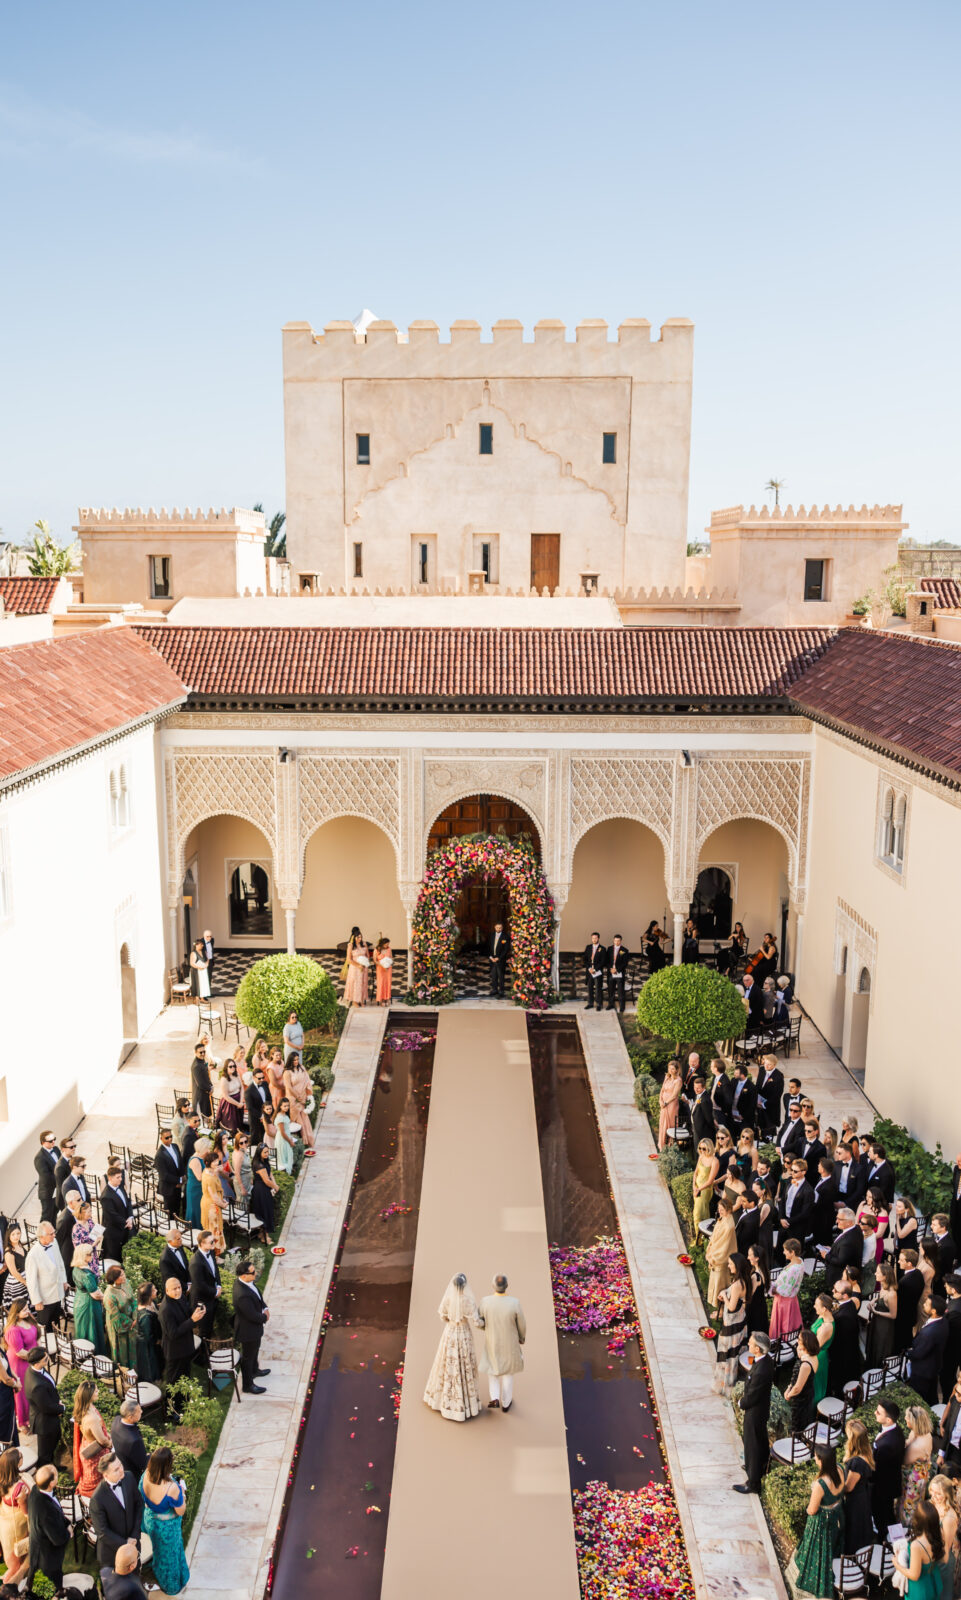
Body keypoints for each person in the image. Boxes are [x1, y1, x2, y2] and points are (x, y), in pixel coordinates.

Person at [423, 1272, 481, 1422]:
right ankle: (465, 1405)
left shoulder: (448, 1299)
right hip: (464, 1334)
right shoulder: (468, 1301)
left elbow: (442, 1316)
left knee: (447, 1363)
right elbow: (476, 1321)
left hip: (450, 1333)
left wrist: (450, 1319)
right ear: (465, 1285)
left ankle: (443, 1401)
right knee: (464, 1363)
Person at [792, 1444, 845, 1598]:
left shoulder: (821, 1484)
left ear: (821, 1461)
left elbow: (812, 1510)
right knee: (832, 1545)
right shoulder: (841, 1469)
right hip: (837, 1516)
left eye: (816, 1456)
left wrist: (807, 1510)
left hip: (822, 1522)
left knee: (818, 1552)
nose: (814, 1458)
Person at [140, 1446, 189, 1595]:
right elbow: (180, 1511)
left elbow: (141, 1494)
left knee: (157, 1550)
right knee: (168, 1557)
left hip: (150, 1521)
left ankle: (154, 1569)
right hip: (166, 1529)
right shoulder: (172, 1487)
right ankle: (171, 1586)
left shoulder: (145, 1475)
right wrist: (183, 1494)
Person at [476, 1273, 525, 1413]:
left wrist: (486, 1328)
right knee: (508, 1372)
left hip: (492, 1341)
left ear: (493, 1285)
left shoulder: (485, 1301)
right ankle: (506, 1403)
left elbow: (480, 1321)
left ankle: (495, 1398)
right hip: (510, 1343)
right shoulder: (515, 1303)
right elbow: (521, 1324)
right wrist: (521, 1338)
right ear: (507, 1285)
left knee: (493, 1370)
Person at [734, 1332, 774, 1494]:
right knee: (760, 1439)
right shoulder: (765, 1361)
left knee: (752, 1444)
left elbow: (752, 1395)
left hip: (755, 1412)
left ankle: (753, 1482)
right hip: (761, 1409)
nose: (748, 1345)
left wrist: (741, 1402)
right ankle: (760, 1465)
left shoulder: (761, 1371)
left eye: (751, 1343)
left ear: (758, 1349)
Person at [90, 1451, 142, 1570]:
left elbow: (139, 1504)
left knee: (135, 1573)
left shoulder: (129, 1477)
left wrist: (134, 1535)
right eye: (116, 1470)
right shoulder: (97, 1499)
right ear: (106, 1475)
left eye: (120, 1465)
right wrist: (125, 1544)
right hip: (113, 1553)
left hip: (134, 1542)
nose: (121, 1470)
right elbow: (102, 1532)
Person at [26, 1464, 69, 1596]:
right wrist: (69, 1532)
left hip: (38, 1545)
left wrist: (65, 1522)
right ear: (51, 1483)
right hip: (47, 1556)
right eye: (56, 1475)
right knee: (53, 1587)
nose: (58, 1475)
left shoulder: (35, 1489)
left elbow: (57, 1511)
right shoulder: (46, 1512)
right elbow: (58, 1539)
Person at [712, 1251, 749, 1396]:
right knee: (734, 1352)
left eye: (730, 1264)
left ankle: (725, 1383)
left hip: (732, 1323)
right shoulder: (744, 1280)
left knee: (728, 1354)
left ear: (737, 1266)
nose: (728, 1266)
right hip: (740, 1321)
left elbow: (732, 1307)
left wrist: (723, 1295)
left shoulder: (737, 1285)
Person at [891, 1500, 944, 1599]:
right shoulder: (937, 1534)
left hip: (919, 1590)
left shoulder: (916, 1545)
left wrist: (896, 1564)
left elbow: (914, 1575)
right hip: (931, 1581)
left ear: (917, 1521)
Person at [233, 1259, 270, 1394]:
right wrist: (265, 1317)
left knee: (255, 1350)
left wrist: (265, 1307)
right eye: (253, 1272)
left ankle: (255, 1370)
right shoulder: (242, 1294)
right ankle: (248, 1385)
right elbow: (252, 1315)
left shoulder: (247, 1282)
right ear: (244, 1276)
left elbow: (258, 1296)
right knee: (248, 1357)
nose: (256, 1273)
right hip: (247, 1330)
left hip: (254, 1328)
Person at [23, 1346, 64, 1468]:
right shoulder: (37, 1385)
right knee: (44, 1453)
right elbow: (47, 1407)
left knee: (53, 1446)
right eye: (45, 1359)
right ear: (36, 1363)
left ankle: (53, 1466)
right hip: (45, 1423)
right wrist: (62, 1408)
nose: (48, 1360)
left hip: (48, 1416)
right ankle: (44, 1472)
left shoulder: (34, 1370)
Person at [873, 1397, 907, 1538]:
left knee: (884, 1516)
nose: (875, 1413)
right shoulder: (895, 1429)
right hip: (889, 1481)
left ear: (888, 1420)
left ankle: (888, 1541)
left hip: (883, 1486)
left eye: (878, 1412)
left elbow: (877, 1468)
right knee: (887, 1514)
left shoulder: (887, 1444)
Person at [158, 1279, 204, 1385]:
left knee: (186, 1378)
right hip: (175, 1351)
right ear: (167, 1290)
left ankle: (185, 1395)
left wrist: (197, 1312)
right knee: (174, 1382)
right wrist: (192, 1320)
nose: (178, 1291)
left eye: (179, 1287)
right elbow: (173, 1334)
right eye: (174, 1289)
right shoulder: (166, 1309)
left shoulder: (181, 1297)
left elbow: (187, 1313)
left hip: (186, 1346)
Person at [842, 1418, 875, 1555]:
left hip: (855, 1501)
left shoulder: (857, 1463)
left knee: (854, 1530)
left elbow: (849, 1487)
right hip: (863, 1496)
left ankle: (853, 1556)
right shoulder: (867, 1452)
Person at [25, 1221, 67, 1329]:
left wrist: (64, 1280)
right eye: (51, 1234)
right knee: (46, 1328)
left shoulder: (54, 1242)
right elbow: (31, 1281)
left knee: (56, 1324)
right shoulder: (32, 1255)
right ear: (41, 1236)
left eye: (54, 1232)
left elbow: (60, 1262)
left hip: (57, 1293)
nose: (54, 1235)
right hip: (45, 1299)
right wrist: (37, 1300)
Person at [72, 1379, 109, 1495]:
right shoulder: (91, 1418)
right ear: (89, 1395)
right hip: (95, 1453)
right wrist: (111, 1443)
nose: (98, 1392)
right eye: (96, 1391)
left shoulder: (87, 1407)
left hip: (87, 1443)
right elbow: (102, 1441)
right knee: (96, 1484)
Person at [4, 1305, 37, 1431]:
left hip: (32, 1359)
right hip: (20, 1363)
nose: (28, 1310)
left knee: (32, 1390)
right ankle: (23, 1423)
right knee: (22, 1394)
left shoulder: (28, 1319)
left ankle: (33, 1417)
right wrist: (37, 1358)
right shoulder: (13, 1329)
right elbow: (19, 1352)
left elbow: (36, 1336)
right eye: (24, 1309)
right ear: (16, 1313)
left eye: (27, 1307)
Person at [901, 1406, 935, 1527]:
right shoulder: (926, 1434)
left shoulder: (916, 1447)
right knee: (917, 1504)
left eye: (907, 1417)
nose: (905, 1418)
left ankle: (908, 1529)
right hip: (922, 1475)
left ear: (914, 1421)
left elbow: (903, 1461)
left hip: (913, 1481)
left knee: (909, 1508)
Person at [911, 1298, 950, 1405]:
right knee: (931, 1397)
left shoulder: (930, 1333)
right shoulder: (943, 1321)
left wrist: (908, 1353)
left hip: (923, 1371)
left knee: (920, 1400)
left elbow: (919, 1353)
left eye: (927, 1304)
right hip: (933, 1367)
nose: (923, 1305)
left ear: (933, 1311)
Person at [0, 1447, 29, 1586]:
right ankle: (7, 1587)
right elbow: (26, 1511)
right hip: (17, 1528)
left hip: (5, 1526)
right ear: (16, 1464)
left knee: (11, 1559)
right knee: (16, 1565)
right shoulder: (19, 1487)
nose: (22, 1457)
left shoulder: (2, 1481)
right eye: (20, 1456)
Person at [72, 1242, 107, 1354]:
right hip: (89, 1304)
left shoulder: (76, 1269)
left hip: (80, 1299)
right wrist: (105, 1298)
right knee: (91, 1328)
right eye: (89, 1254)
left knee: (83, 1328)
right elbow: (95, 1294)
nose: (92, 1255)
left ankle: (82, 1352)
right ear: (83, 1256)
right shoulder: (86, 1275)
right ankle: (93, 1354)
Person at [928, 1474, 959, 1600]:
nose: (933, 1496)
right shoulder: (934, 1504)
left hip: (942, 1561)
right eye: (932, 1491)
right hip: (933, 1554)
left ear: (946, 1494)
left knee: (942, 1594)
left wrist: (929, 1563)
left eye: (938, 1494)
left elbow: (945, 1551)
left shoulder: (949, 1518)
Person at [865, 1259, 899, 1368]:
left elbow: (893, 1315)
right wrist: (874, 1300)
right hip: (877, 1321)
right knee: (874, 1344)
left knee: (880, 1347)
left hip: (884, 1325)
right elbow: (881, 1298)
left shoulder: (892, 1294)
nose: (875, 1274)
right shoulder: (883, 1286)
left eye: (878, 1272)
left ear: (885, 1276)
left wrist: (876, 1312)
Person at [189, 1230, 222, 1340]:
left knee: (209, 1326)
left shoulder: (211, 1252)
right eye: (211, 1242)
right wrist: (215, 1292)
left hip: (211, 1297)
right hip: (202, 1300)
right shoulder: (195, 1262)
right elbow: (200, 1285)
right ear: (202, 1244)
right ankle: (203, 1349)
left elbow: (215, 1270)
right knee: (203, 1330)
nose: (214, 1243)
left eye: (214, 1241)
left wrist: (219, 1285)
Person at [705, 1196, 737, 1311]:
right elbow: (715, 1237)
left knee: (720, 1285)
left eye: (722, 1210)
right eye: (719, 1209)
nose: (719, 1212)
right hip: (715, 1253)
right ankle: (717, 1308)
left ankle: (720, 1309)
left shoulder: (729, 1226)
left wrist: (712, 1257)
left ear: (728, 1209)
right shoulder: (723, 1218)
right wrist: (710, 1249)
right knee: (715, 1282)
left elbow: (723, 1245)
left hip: (721, 1258)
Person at [785, 1328, 819, 1433]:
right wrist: (789, 1387)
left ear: (805, 1344)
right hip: (808, 1392)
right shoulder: (814, 1357)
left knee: (798, 1423)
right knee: (805, 1420)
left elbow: (797, 1388)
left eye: (799, 1340)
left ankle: (797, 1439)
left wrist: (788, 1394)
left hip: (801, 1398)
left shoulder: (805, 1365)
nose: (797, 1341)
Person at [770, 1237, 804, 1339]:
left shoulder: (794, 1269)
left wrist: (772, 1288)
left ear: (792, 1252)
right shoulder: (799, 1261)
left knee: (785, 1326)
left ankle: (782, 1343)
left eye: (785, 1250)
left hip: (784, 1302)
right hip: (791, 1300)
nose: (783, 1252)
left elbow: (786, 1290)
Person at [101, 1169, 137, 1264]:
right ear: (110, 1178)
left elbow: (128, 1202)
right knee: (117, 1258)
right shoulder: (106, 1196)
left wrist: (130, 1217)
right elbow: (112, 1216)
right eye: (118, 1177)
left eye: (121, 1176)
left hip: (127, 1225)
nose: (121, 1179)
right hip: (116, 1232)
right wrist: (126, 1223)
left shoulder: (120, 1187)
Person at [821, 1208, 862, 1291]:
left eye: (840, 1219)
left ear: (849, 1222)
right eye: (837, 1218)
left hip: (839, 1278)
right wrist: (832, 1249)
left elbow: (840, 1262)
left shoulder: (848, 1241)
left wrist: (826, 1256)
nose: (837, 1221)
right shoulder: (855, 1229)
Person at [283, 1053, 316, 1154]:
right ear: (290, 1061)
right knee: (299, 1122)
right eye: (294, 1060)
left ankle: (308, 1142)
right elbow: (288, 1087)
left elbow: (307, 1081)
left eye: (297, 1059)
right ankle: (301, 1144)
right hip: (293, 1100)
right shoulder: (287, 1072)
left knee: (305, 1119)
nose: (296, 1062)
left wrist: (307, 1096)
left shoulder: (301, 1068)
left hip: (303, 1097)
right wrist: (298, 1097)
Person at [111, 1399, 147, 1481]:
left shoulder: (116, 1420)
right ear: (130, 1417)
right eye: (139, 1411)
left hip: (121, 1460)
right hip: (133, 1474)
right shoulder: (134, 1441)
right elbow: (143, 1463)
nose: (142, 1411)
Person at [810, 1293, 835, 1408]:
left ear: (824, 1309)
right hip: (816, 1353)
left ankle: (815, 1409)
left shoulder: (827, 1327)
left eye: (816, 1305)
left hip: (818, 1357)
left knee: (816, 1386)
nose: (814, 1306)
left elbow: (815, 1347)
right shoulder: (822, 1316)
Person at [200, 1152, 227, 1253]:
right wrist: (223, 1205)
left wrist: (221, 1199)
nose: (217, 1163)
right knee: (214, 1230)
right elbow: (214, 1196)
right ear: (208, 1163)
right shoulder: (209, 1178)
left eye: (217, 1160)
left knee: (212, 1229)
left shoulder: (207, 1171)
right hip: (211, 1206)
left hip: (208, 1202)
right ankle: (215, 1254)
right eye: (214, 1161)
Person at [136, 1283, 163, 1382]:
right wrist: (158, 1340)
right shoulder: (145, 1316)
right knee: (151, 1364)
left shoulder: (152, 1302)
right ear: (148, 1295)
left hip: (153, 1340)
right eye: (154, 1290)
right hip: (147, 1345)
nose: (156, 1291)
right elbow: (148, 1335)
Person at [154, 1128, 184, 1216]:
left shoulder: (175, 1146)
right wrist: (178, 1180)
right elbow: (164, 1175)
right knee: (170, 1213)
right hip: (168, 1188)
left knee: (177, 1209)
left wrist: (182, 1177)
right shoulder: (159, 1155)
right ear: (161, 1139)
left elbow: (180, 1163)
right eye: (167, 1138)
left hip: (178, 1185)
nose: (170, 1139)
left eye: (171, 1136)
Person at [692, 1139, 718, 1237]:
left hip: (705, 1190)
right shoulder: (701, 1156)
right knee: (702, 1211)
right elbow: (695, 1173)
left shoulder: (715, 1161)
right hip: (696, 1188)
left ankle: (698, 1239)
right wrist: (694, 1186)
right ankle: (703, 1237)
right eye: (700, 1148)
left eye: (704, 1148)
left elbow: (710, 1181)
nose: (701, 1150)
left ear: (709, 1148)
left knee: (697, 1214)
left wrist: (699, 1189)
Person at [251, 1144, 278, 1237]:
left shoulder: (264, 1160)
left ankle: (264, 1233)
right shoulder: (258, 1164)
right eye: (265, 1152)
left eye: (268, 1152)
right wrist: (275, 1187)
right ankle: (264, 1236)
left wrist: (274, 1184)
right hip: (261, 1190)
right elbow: (266, 1180)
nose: (267, 1154)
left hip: (266, 1188)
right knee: (264, 1211)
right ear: (259, 1153)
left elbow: (270, 1174)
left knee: (268, 1209)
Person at [34, 1132, 61, 1225]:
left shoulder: (56, 1149)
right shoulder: (39, 1157)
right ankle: (42, 1234)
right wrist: (61, 1179)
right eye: (50, 1141)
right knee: (46, 1216)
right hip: (48, 1192)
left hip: (57, 1189)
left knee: (54, 1213)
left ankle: (53, 1232)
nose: (53, 1142)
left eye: (54, 1139)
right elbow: (46, 1176)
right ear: (43, 1142)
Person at [754, 1055, 784, 1138]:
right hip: (759, 1102)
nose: (766, 1066)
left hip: (770, 1106)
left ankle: (768, 1136)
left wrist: (764, 1104)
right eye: (765, 1063)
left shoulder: (778, 1076)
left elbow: (777, 1095)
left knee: (768, 1127)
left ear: (774, 1065)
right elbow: (758, 1085)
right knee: (759, 1123)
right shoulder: (761, 1070)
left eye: (769, 1064)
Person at [937, 1373, 961, 1470]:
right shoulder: (955, 1402)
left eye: (959, 1394)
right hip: (950, 1446)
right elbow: (948, 1428)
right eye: (956, 1392)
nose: (956, 1395)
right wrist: (941, 1454)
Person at [657, 1061, 684, 1150]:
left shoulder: (678, 1080)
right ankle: (661, 1145)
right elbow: (662, 1090)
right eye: (669, 1068)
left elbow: (674, 1095)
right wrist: (660, 1101)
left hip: (671, 1105)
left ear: (677, 1070)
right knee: (662, 1123)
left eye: (672, 1069)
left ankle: (669, 1145)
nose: (670, 1070)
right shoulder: (667, 1077)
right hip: (663, 1104)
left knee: (670, 1123)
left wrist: (666, 1103)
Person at [1, 1225, 28, 1311]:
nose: (16, 1236)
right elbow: (14, 1272)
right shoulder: (9, 1252)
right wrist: (26, 1283)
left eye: (18, 1233)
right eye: (13, 1234)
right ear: (8, 1235)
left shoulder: (19, 1244)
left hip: (25, 1277)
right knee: (20, 1308)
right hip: (17, 1283)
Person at [0, 1334, 19, 1448]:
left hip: (6, 1391)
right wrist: (16, 1384)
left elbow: (7, 1366)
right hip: (2, 1394)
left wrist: (17, 1379)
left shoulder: (1, 1348)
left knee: (10, 1421)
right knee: (5, 1424)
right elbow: (5, 1379)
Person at [159, 1228, 190, 1294]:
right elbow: (171, 1279)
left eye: (181, 1238)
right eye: (178, 1239)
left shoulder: (179, 1246)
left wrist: (190, 1282)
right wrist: (187, 1287)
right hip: (176, 1292)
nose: (181, 1240)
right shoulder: (165, 1259)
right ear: (170, 1241)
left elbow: (186, 1264)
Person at [185, 1136, 207, 1230]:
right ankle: (194, 1229)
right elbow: (199, 1177)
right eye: (207, 1148)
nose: (208, 1151)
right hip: (195, 1189)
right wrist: (212, 1172)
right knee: (195, 1209)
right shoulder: (195, 1160)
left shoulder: (201, 1157)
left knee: (200, 1208)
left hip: (199, 1188)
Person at [344, 931, 370, 1006]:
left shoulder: (364, 944)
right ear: (354, 937)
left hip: (363, 967)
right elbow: (348, 959)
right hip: (355, 967)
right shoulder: (351, 945)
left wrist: (364, 962)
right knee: (356, 983)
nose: (360, 939)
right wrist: (358, 965)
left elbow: (367, 955)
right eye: (358, 937)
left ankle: (361, 1000)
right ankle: (354, 1000)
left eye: (361, 937)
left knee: (363, 983)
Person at [245, 1069, 270, 1146]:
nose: (262, 1080)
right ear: (253, 1077)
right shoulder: (248, 1091)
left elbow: (269, 1098)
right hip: (255, 1119)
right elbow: (250, 1108)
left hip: (267, 1114)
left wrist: (268, 1111)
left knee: (266, 1137)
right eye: (259, 1078)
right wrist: (261, 1116)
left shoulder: (265, 1084)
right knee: (255, 1141)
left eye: (263, 1077)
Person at [487, 921, 511, 999]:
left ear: (502, 928)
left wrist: (499, 958)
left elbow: (506, 949)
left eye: (500, 928)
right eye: (497, 927)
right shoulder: (491, 935)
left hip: (500, 959)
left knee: (501, 975)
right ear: (495, 927)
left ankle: (501, 991)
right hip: (492, 958)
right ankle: (494, 989)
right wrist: (491, 957)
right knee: (493, 975)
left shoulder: (505, 937)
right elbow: (488, 946)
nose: (498, 929)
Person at [273, 1097, 296, 1174]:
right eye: (285, 1106)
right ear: (280, 1106)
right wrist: (290, 1141)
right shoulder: (280, 1117)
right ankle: (286, 1173)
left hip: (286, 1137)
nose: (287, 1107)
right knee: (284, 1157)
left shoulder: (284, 1114)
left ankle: (289, 1172)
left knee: (287, 1155)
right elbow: (282, 1133)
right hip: (282, 1139)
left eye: (288, 1106)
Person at [606, 934, 629, 1012]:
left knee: (620, 991)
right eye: (615, 940)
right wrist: (610, 969)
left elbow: (625, 963)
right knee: (610, 990)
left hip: (619, 973)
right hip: (611, 972)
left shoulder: (624, 950)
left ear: (621, 941)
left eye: (618, 941)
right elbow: (606, 961)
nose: (616, 942)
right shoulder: (609, 949)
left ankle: (622, 1007)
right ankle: (611, 1004)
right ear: (613, 940)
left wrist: (617, 969)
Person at [231, 1133, 253, 1206]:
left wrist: (251, 1178)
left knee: (246, 1202)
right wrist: (242, 1188)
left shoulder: (243, 1149)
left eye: (245, 1142)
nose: (244, 1144)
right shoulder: (239, 1155)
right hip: (242, 1181)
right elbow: (237, 1173)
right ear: (237, 1143)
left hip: (246, 1180)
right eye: (241, 1143)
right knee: (242, 1203)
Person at [374, 937, 394, 1005]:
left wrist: (389, 963)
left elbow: (391, 957)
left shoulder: (389, 949)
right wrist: (382, 966)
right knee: (381, 983)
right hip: (380, 968)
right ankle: (382, 999)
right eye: (386, 944)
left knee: (388, 983)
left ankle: (387, 998)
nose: (387, 946)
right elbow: (375, 960)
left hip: (388, 969)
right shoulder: (377, 949)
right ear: (382, 944)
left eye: (388, 944)